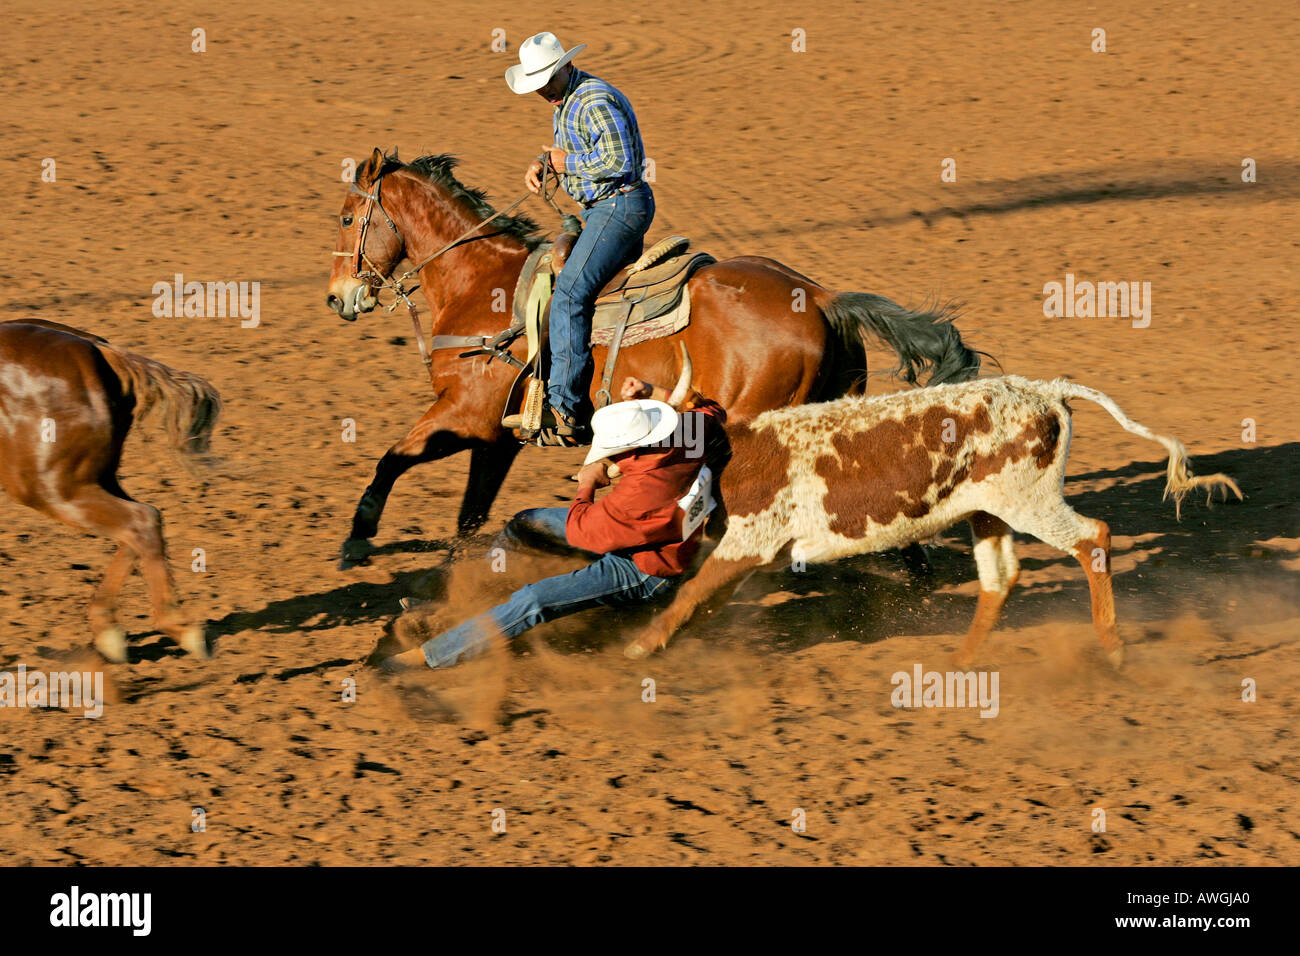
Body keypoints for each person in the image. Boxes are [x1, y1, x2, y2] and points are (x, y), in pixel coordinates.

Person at [380, 373, 725, 670]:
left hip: (645, 569)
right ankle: (472, 603)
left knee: (534, 600)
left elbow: (583, 530)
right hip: (650, 536)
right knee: (526, 523)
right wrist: (653, 392)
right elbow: (711, 409)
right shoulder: (687, 433)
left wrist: (589, 481)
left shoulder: (637, 496)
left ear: (631, 449)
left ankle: (434, 656)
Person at [506, 31, 655, 444]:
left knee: (570, 292)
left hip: (619, 207)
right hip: (601, 208)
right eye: (537, 86)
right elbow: (575, 150)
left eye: (548, 82)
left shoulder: (593, 99)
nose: (544, 92)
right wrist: (544, 161)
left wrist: (563, 161)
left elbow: (618, 159)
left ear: (566, 67)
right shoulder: (566, 101)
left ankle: (564, 407)